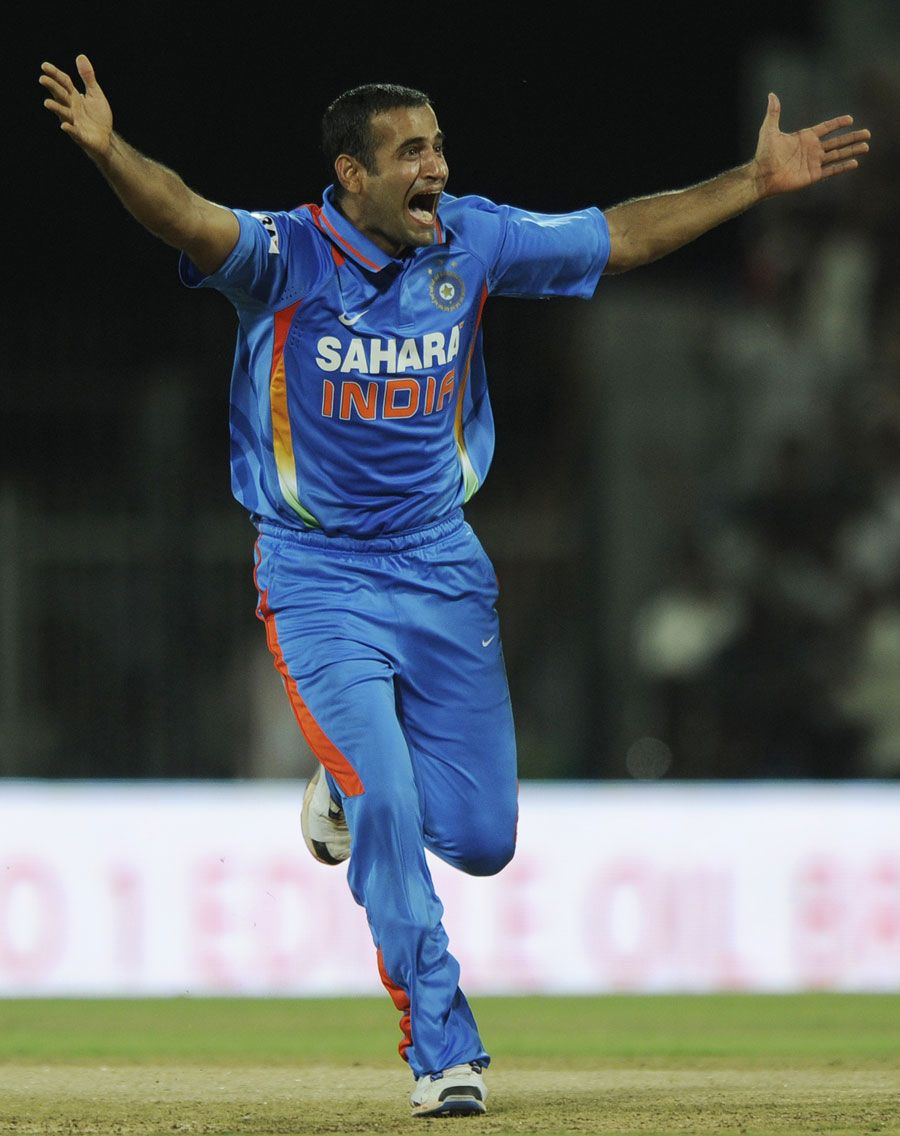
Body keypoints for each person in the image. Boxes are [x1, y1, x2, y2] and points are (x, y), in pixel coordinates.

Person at [39, 54, 870, 1118]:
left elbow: (617, 236)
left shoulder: (470, 239)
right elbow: (189, 218)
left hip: (440, 562)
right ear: (352, 174)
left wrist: (750, 185)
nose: (438, 165)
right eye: (412, 152)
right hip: (319, 572)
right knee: (392, 802)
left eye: (438, 144)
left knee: (482, 838)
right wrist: (111, 152)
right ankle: (445, 1046)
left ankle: (343, 785)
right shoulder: (287, 257)